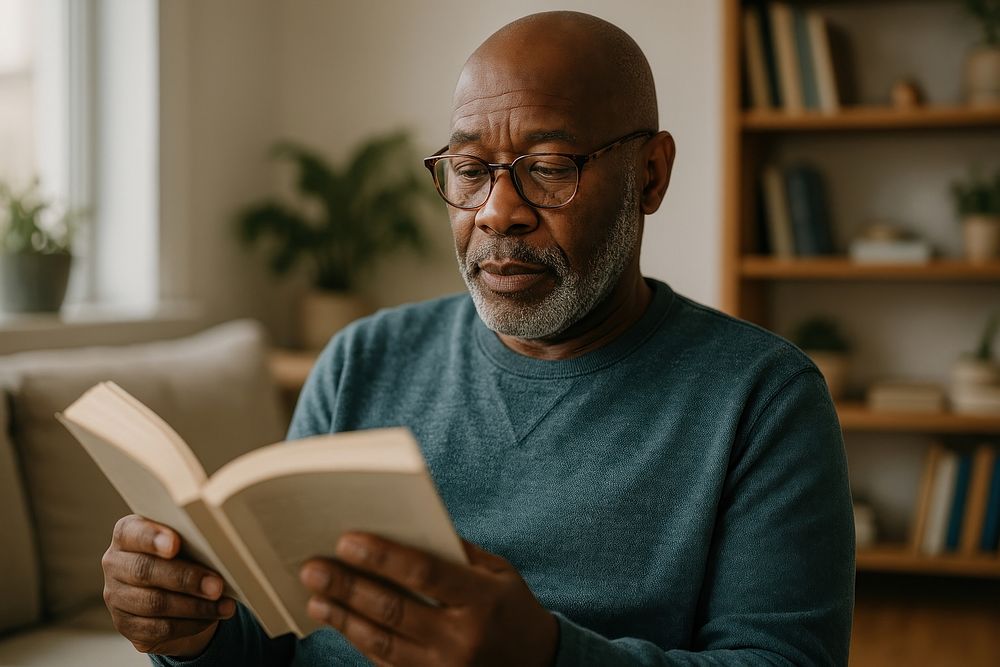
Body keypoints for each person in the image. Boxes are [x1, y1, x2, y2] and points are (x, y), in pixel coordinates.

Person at [102, 11, 854, 666]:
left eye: (549, 168)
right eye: (470, 170)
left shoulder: (762, 398)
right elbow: (276, 641)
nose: (498, 212)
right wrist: (187, 627)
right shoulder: (360, 361)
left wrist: (544, 658)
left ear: (649, 175)